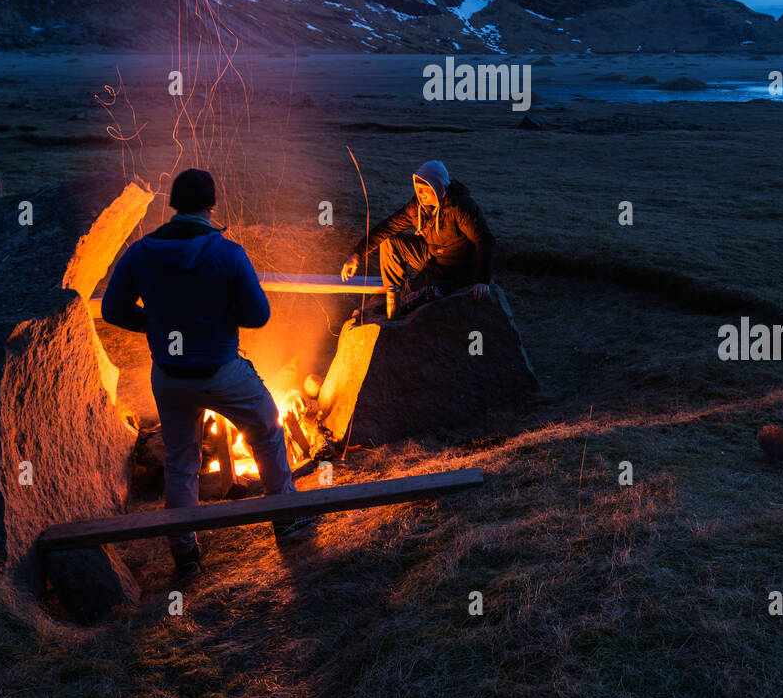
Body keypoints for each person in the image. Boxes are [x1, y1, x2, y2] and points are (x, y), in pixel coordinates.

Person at [102, 168, 317, 578]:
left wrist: (158, 323)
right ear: (210, 206)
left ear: (173, 205)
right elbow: (258, 315)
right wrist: (217, 320)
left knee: (182, 461)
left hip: (169, 376)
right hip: (222, 372)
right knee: (269, 432)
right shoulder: (228, 253)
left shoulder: (140, 252)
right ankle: (287, 518)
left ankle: (185, 552)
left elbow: (112, 309)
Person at [340, 160, 495, 319]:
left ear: (438, 187)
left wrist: (482, 280)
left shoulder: (460, 207)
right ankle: (394, 296)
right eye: (417, 189)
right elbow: (388, 226)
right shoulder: (417, 207)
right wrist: (357, 254)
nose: (420, 194)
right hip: (432, 257)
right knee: (390, 242)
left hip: (456, 269)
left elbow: (484, 239)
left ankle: (403, 305)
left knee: (421, 297)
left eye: (424, 189)